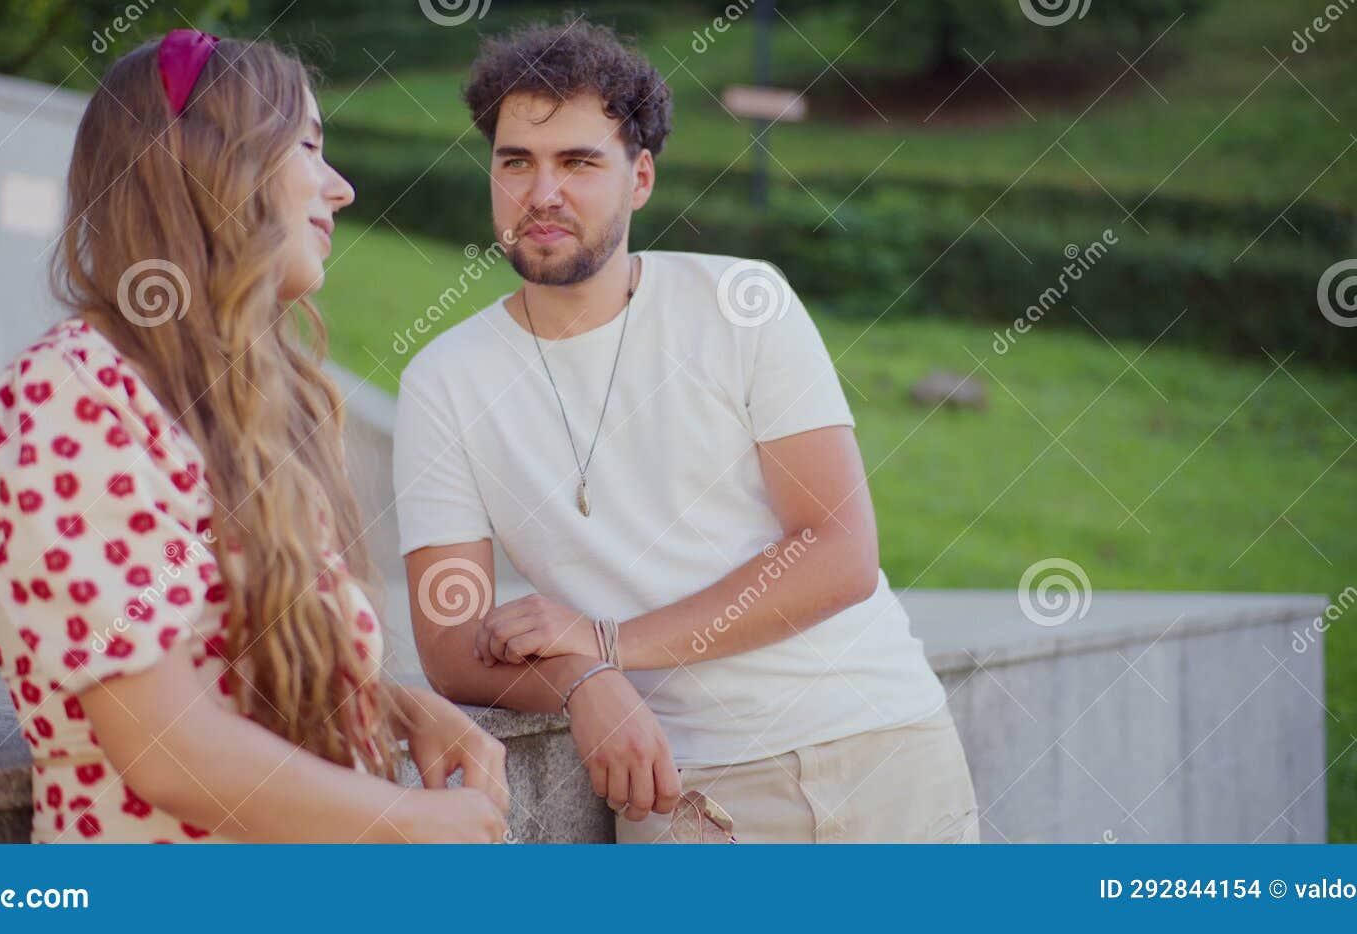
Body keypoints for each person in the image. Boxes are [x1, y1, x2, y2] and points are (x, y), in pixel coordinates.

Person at [395, 19, 980, 844]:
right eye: (516, 162)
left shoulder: (743, 302)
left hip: (878, 746)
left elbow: (839, 550)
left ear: (639, 178)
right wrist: (581, 678)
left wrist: (606, 644)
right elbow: (452, 646)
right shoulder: (443, 381)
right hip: (683, 790)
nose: (542, 193)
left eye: (579, 161)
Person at [0, 30, 507, 843]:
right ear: (212, 164)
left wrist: (393, 706)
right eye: (308, 146)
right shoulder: (70, 398)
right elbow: (166, 746)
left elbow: (227, 659)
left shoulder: (241, 409)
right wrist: (408, 824)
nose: (341, 187)